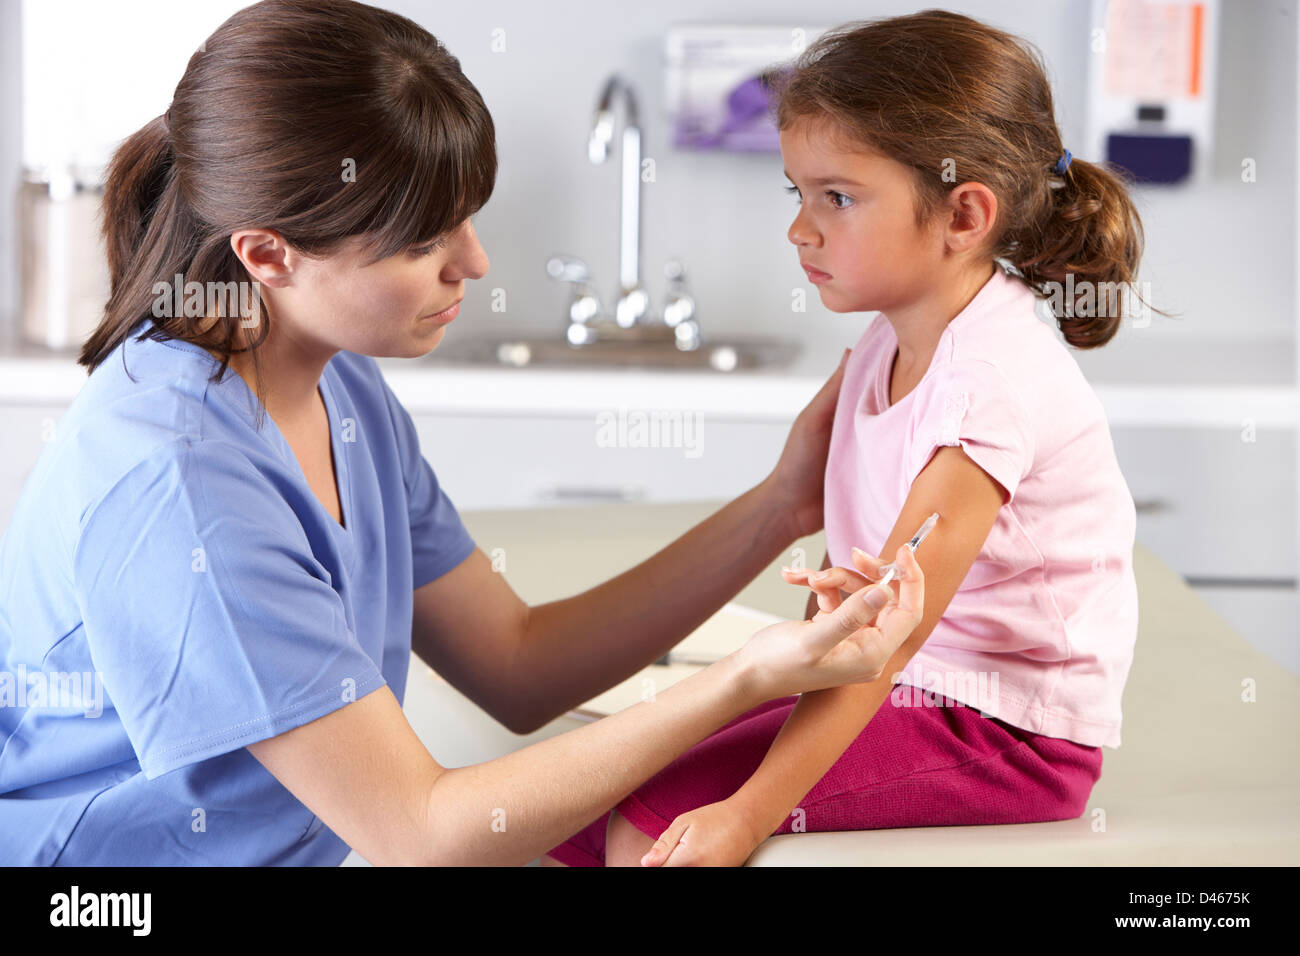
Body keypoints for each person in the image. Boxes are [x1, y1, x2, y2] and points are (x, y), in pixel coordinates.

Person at [0, 0, 927, 867]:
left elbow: (518, 664)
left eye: (464, 217)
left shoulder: (338, 384)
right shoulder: (179, 480)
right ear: (268, 254)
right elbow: (420, 830)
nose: (473, 262)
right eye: (421, 241)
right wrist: (747, 677)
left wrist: (778, 506)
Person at [546, 9, 1157, 867]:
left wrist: (746, 813)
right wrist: (766, 685)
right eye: (796, 193)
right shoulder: (892, 334)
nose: (800, 228)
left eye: (836, 197)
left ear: (963, 215)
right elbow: (849, 598)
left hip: (1007, 732)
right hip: (903, 685)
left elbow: (888, 633)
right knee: (573, 798)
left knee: (654, 817)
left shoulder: (988, 384)